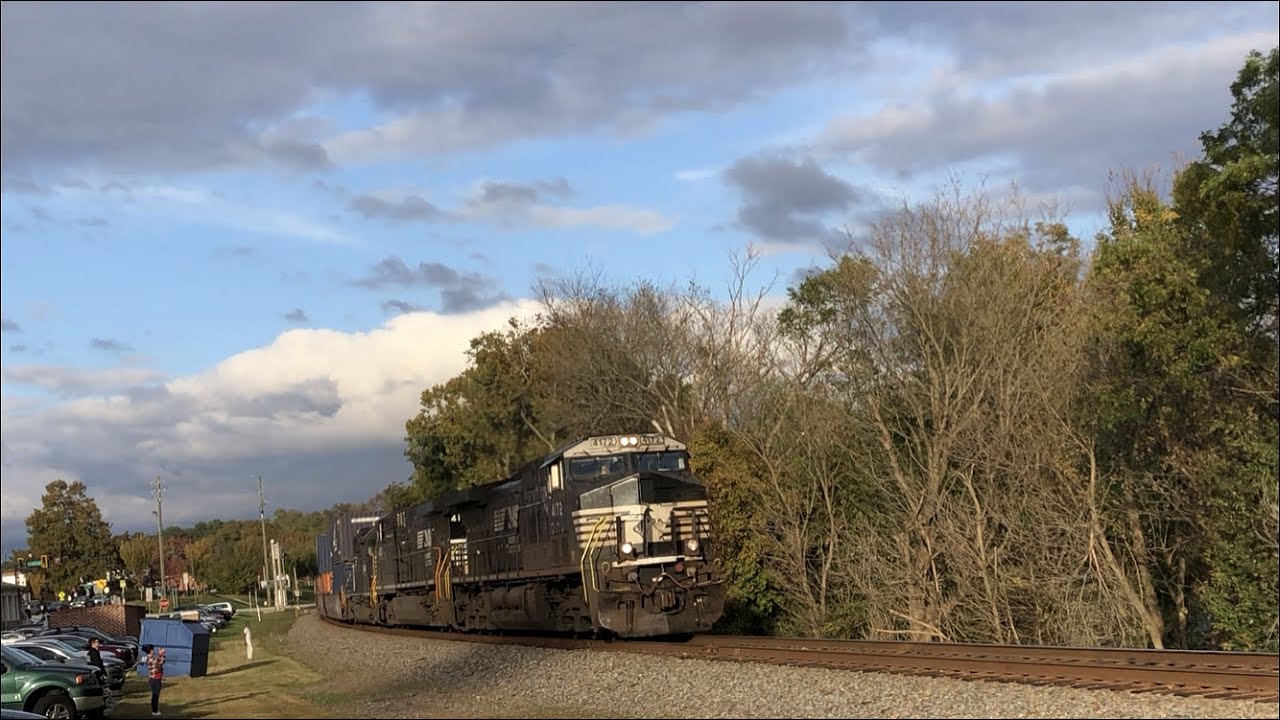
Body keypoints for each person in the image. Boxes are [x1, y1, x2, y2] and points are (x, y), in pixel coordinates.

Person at [143, 644, 165, 716]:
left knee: (155, 695)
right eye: (153, 649)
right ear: (150, 650)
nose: (154, 650)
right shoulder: (151, 658)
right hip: (155, 679)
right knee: (155, 695)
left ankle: (154, 710)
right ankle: (154, 711)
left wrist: (160, 654)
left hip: (154, 678)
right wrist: (161, 654)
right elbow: (159, 664)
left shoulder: (151, 657)